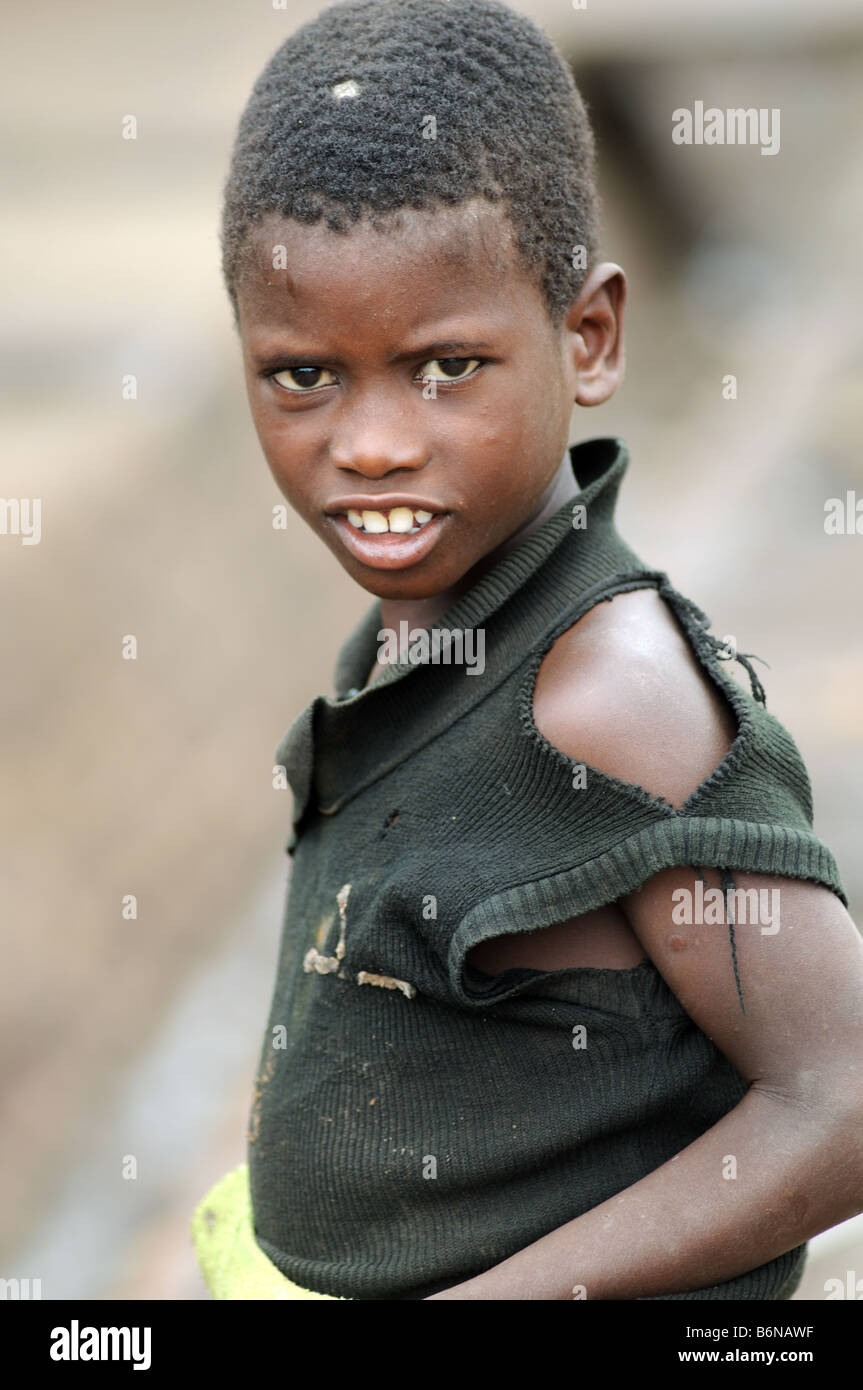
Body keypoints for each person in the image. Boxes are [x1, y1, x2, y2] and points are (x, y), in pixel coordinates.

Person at [190, 0, 863, 1300]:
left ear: (590, 337)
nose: (373, 443)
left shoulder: (615, 702)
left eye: (446, 366)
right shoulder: (413, 637)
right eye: (302, 377)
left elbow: (841, 1099)